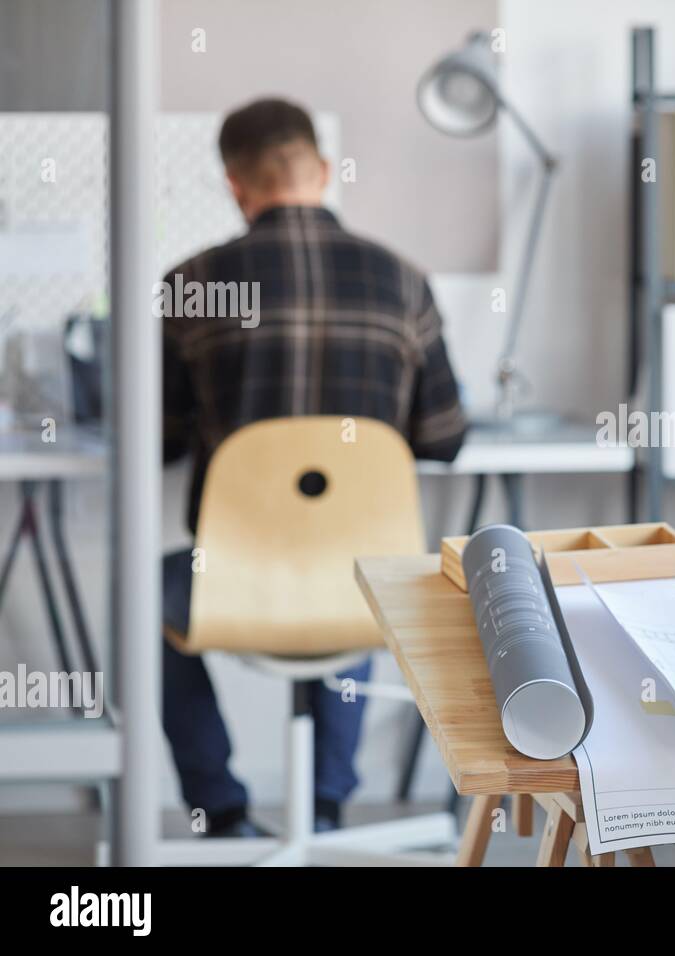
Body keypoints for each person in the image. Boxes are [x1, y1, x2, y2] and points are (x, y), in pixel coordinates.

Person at [160, 98, 468, 838]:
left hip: (232, 579)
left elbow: (158, 439)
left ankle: (221, 810)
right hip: (364, 589)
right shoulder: (403, 280)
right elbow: (445, 438)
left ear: (234, 185)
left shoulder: (191, 286)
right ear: (323, 171)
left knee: (148, 593)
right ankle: (327, 805)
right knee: (354, 559)